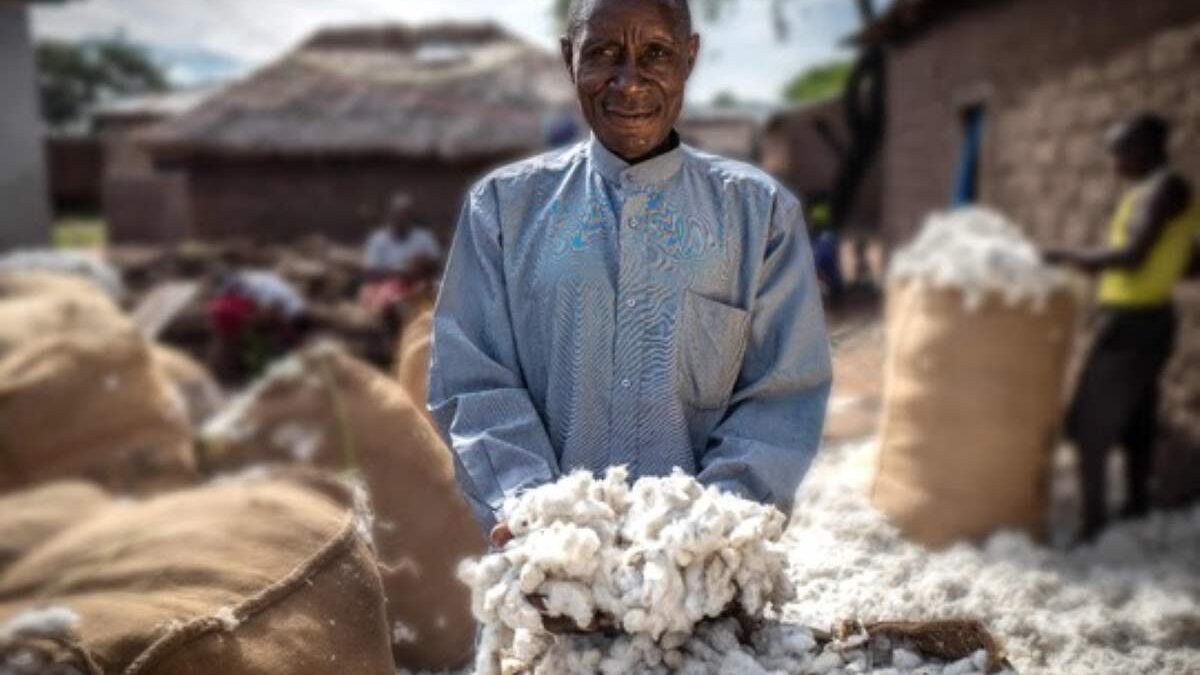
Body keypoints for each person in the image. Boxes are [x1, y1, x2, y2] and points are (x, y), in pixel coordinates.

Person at [429, 0, 832, 546]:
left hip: (704, 580)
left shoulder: (760, 215)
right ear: (570, 58)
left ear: (689, 58)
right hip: (546, 574)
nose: (630, 82)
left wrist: (705, 532)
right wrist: (538, 516)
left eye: (656, 54)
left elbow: (781, 395)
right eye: (604, 53)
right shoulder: (503, 208)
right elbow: (474, 381)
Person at [1044, 113, 1200, 541]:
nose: (1113, 160)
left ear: (1147, 147)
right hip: (1146, 318)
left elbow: (1131, 255)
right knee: (1136, 418)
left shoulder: (1165, 188)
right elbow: (1190, 259)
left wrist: (1060, 254)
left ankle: (1093, 524)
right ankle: (1136, 507)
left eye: (1121, 149)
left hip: (1134, 323)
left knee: (1089, 423)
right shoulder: (1157, 193)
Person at [208, 269, 310, 384]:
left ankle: (290, 370)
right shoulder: (243, 287)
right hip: (273, 316)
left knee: (282, 347)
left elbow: (273, 310)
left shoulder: (261, 285)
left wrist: (253, 320)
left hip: (292, 314)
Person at [360, 193, 443, 325]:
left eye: (406, 215)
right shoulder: (378, 240)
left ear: (411, 217)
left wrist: (421, 264)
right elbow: (371, 272)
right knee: (383, 298)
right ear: (390, 216)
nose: (401, 218)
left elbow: (437, 264)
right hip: (388, 286)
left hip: (419, 285)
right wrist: (398, 272)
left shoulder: (424, 237)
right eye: (398, 215)